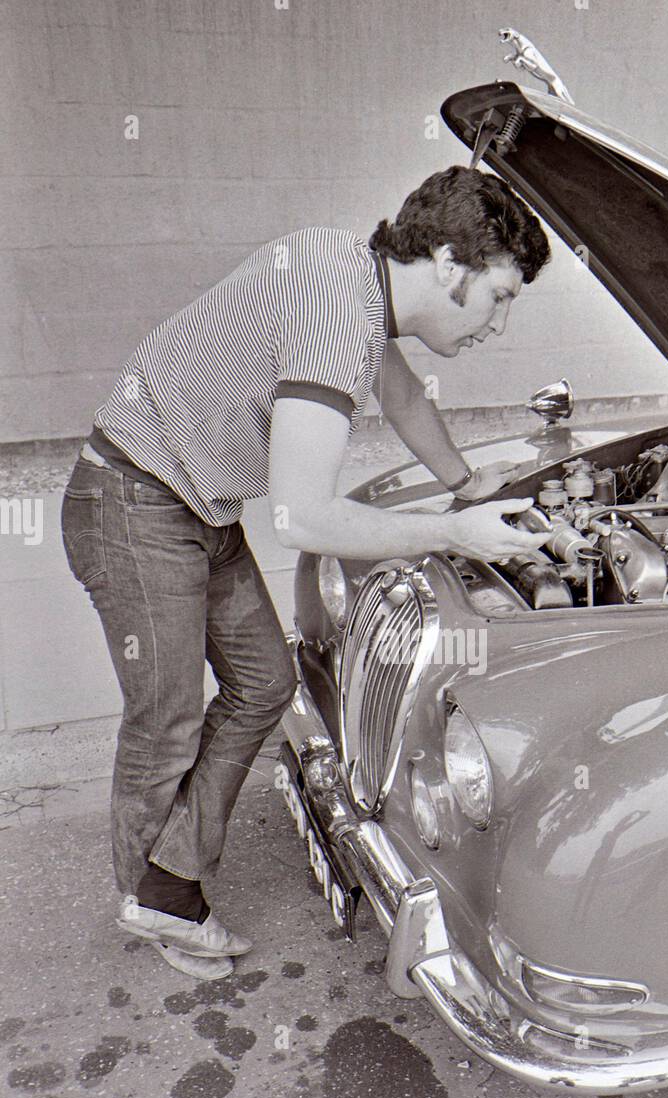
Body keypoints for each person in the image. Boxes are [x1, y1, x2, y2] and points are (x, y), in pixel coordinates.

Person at [60, 165, 551, 981]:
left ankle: (171, 867)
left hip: (189, 503)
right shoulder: (335, 309)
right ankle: (158, 903)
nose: (499, 323)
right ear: (448, 264)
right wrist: (457, 532)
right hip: (133, 503)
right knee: (167, 720)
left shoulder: (350, 277)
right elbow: (303, 518)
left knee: (264, 681)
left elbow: (402, 401)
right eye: (499, 296)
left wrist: (469, 483)